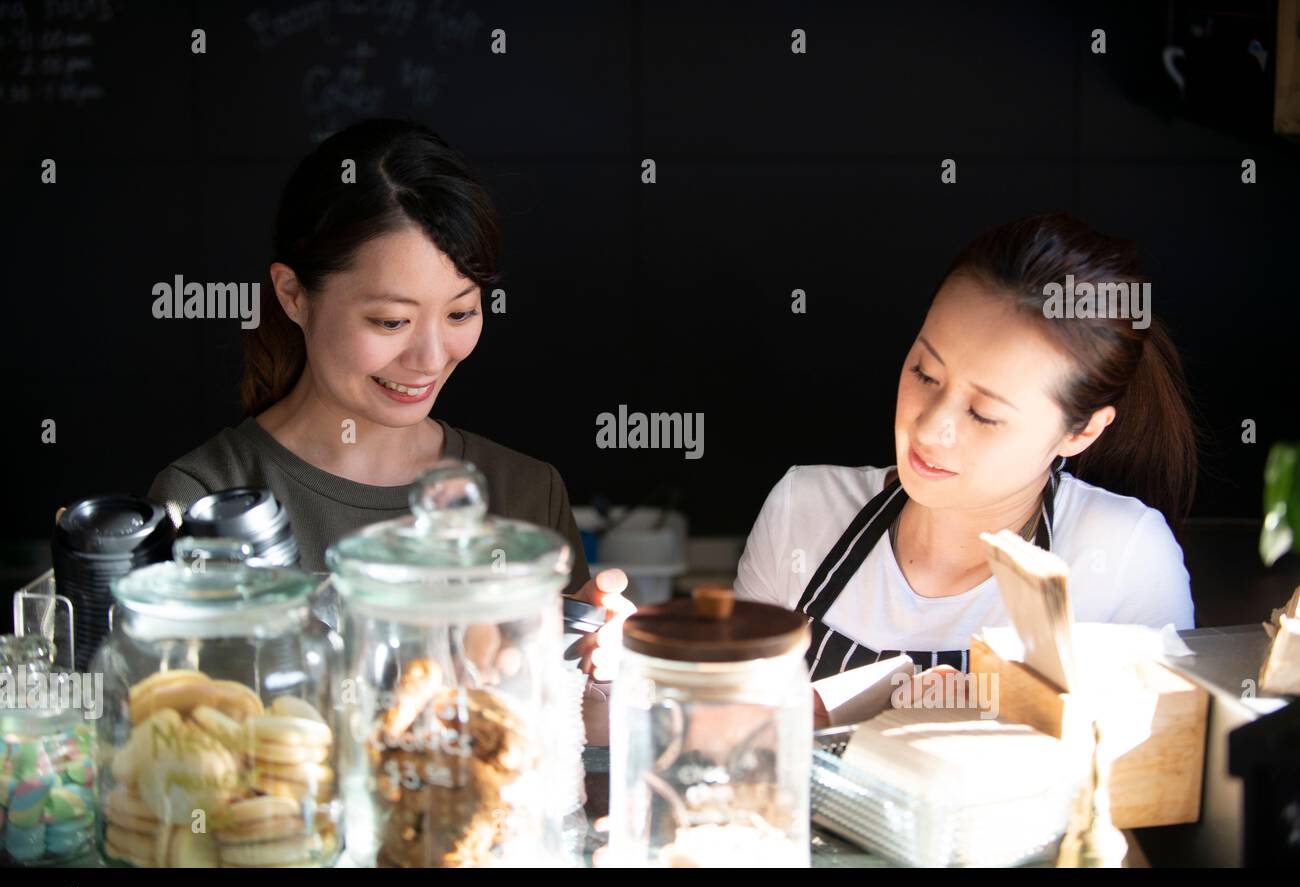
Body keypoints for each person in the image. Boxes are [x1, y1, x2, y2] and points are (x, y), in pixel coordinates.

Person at [147, 119, 633, 733]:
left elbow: (567, 749)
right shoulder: (201, 502)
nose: (430, 358)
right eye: (389, 322)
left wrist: (599, 676)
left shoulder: (525, 493)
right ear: (293, 294)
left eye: (461, 312)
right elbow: (180, 749)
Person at [731, 213, 1199, 725]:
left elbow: (1145, 782)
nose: (931, 429)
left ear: (1081, 432)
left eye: (984, 414)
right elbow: (730, 745)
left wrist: (990, 732)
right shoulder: (803, 510)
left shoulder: (1124, 557)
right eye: (925, 373)